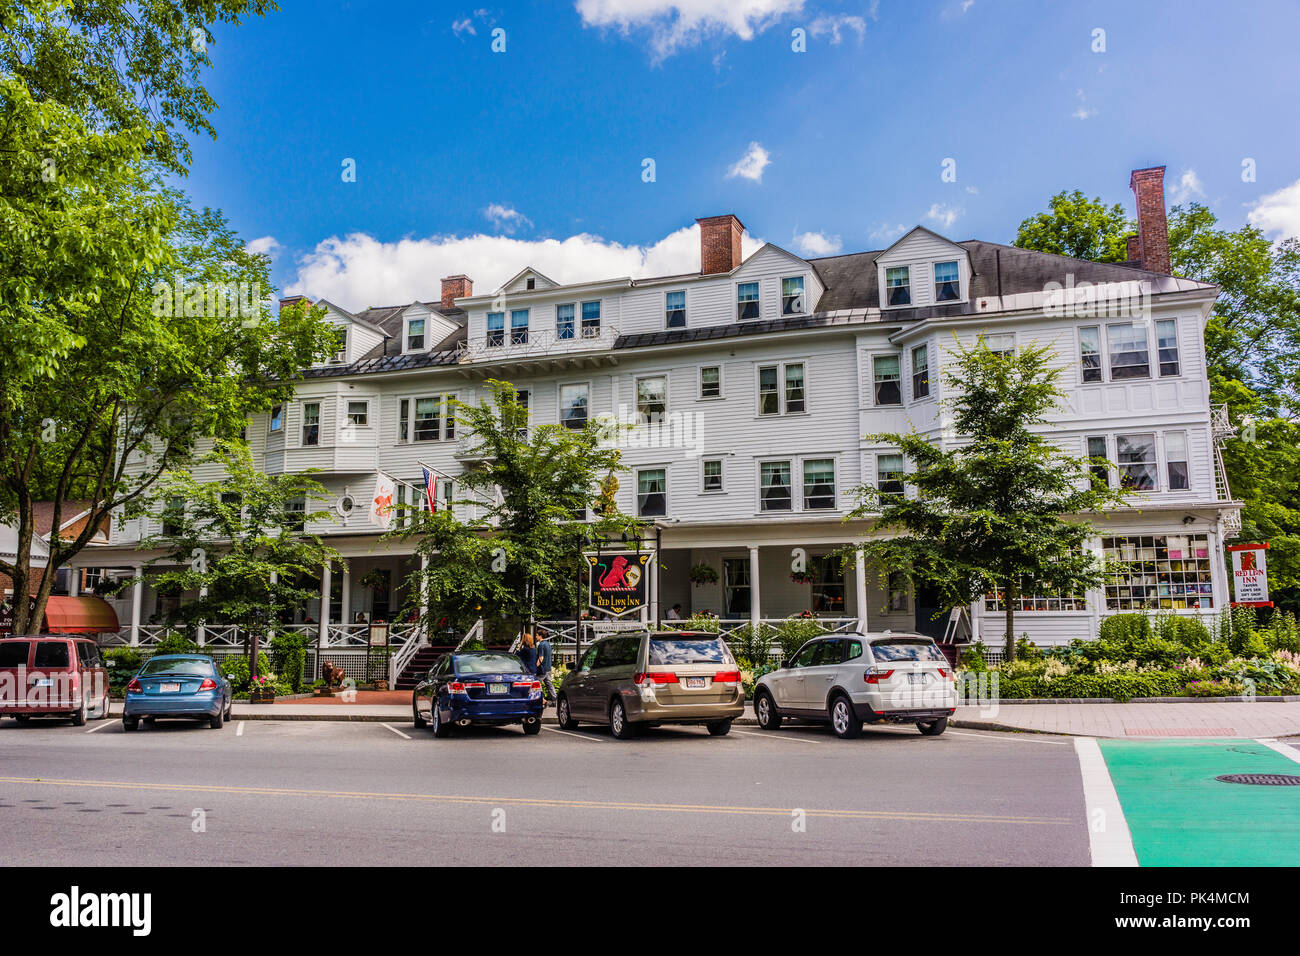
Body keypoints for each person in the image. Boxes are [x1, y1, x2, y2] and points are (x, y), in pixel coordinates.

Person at [534, 631, 555, 703]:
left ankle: (539, 699)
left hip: (542, 669)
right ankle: (554, 699)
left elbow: (541, 658)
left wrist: (535, 667)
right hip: (548, 667)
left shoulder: (541, 645)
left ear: (540, 636)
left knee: (536, 683)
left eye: (537, 635)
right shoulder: (548, 644)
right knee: (549, 684)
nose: (536, 637)